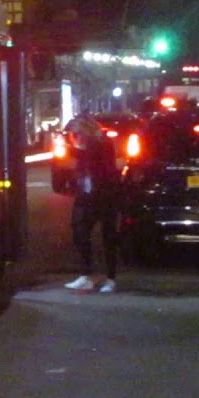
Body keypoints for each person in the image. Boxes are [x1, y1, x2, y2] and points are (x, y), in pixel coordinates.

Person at [64, 116, 121, 293]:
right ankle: (86, 275)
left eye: (77, 133)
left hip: (104, 196)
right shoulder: (85, 146)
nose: (75, 136)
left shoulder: (102, 144)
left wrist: (74, 149)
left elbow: (99, 164)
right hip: (86, 194)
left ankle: (110, 278)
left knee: (108, 237)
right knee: (79, 231)